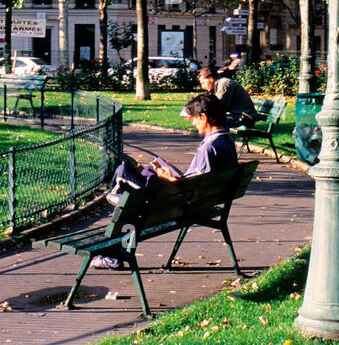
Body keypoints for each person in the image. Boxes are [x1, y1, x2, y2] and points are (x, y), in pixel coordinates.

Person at [94, 94, 238, 269]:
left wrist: (168, 178)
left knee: (123, 173)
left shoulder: (209, 147)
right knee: (145, 174)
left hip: (180, 204)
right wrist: (171, 175)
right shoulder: (226, 140)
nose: (193, 123)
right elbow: (197, 181)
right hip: (202, 199)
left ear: (204, 118)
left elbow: (191, 188)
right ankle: (122, 206)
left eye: (194, 119)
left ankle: (116, 214)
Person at [197, 64, 257, 129]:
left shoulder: (223, 85)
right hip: (237, 115)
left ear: (210, 79)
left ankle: (219, 139)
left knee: (212, 121)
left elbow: (219, 108)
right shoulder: (219, 85)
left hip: (245, 118)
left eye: (203, 83)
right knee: (210, 119)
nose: (203, 86)